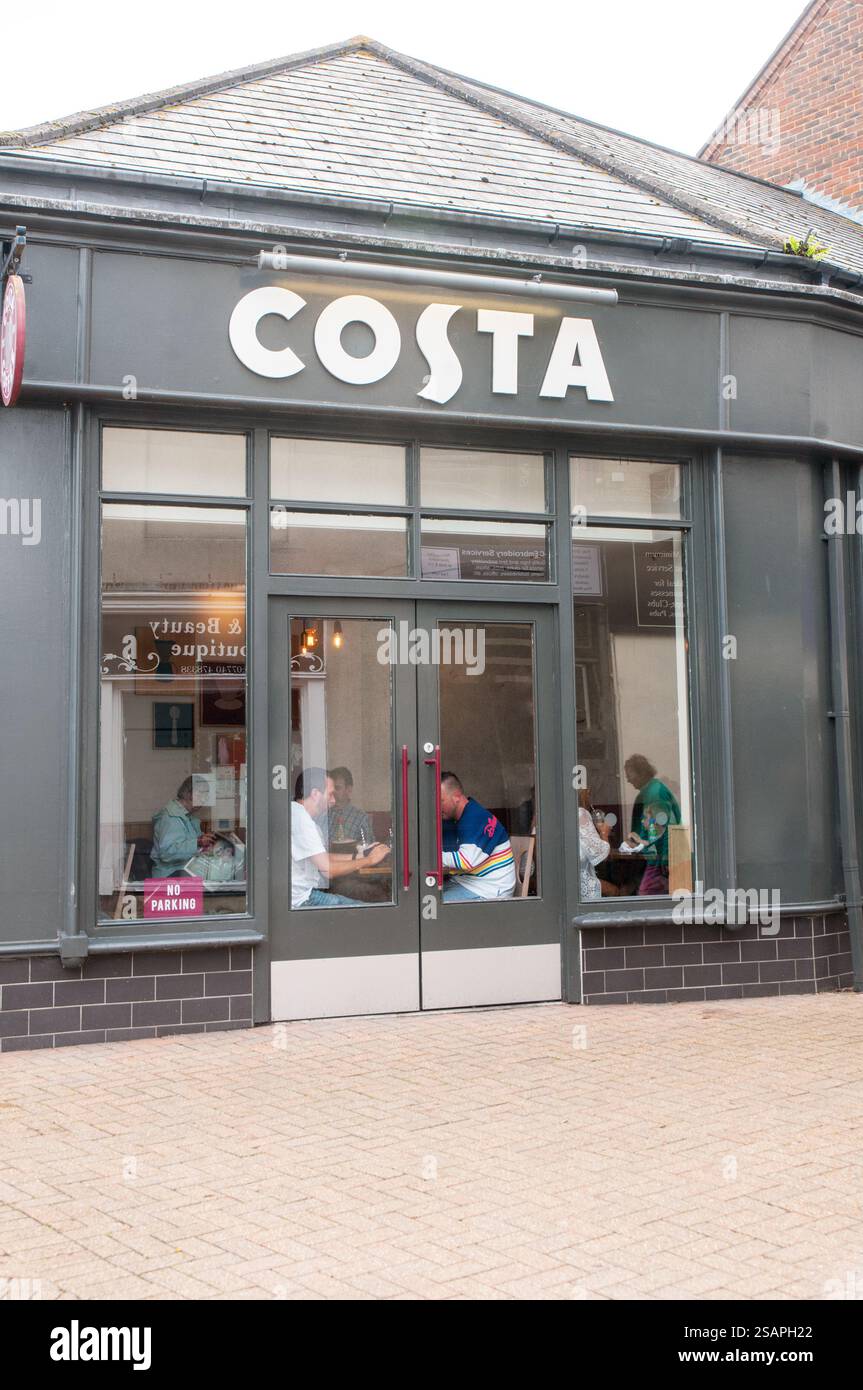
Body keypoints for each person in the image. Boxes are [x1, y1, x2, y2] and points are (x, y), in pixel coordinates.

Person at [292, 767, 389, 908]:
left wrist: (359, 855)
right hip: (303, 899)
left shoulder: (299, 815)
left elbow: (323, 857)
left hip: (307, 893)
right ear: (315, 794)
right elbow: (328, 870)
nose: (333, 800)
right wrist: (370, 860)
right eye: (330, 794)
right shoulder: (301, 819)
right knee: (369, 910)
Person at [439, 771, 515, 902]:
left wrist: (429, 859)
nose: (437, 807)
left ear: (456, 797)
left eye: (441, 801)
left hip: (490, 890)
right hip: (468, 882)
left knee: (431, 907)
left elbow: (466, 861)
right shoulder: (458, 818)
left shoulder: (476, 818)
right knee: (422, 897)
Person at [623, 754, 681, 896]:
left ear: (641, 773)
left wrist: (666, 859)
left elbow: (662, 829)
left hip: (660, 858)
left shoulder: (655, 793)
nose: (628, 779)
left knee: (645, 895)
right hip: (656, 857)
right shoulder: (648, 792)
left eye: (630, 774)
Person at [151, 776, 214, 878]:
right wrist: (198, 842)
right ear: (189, 794)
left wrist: (205, 844)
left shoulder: (187, 816)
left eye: (206, 796)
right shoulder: (171, 817)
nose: (204, 800)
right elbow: (167, 853)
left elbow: (189, 844)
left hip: (184, 873)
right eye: (202, 794)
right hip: (170, 877)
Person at [577, 788, 610, 901]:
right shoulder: (580, 813)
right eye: (587, 790)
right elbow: (600, 854)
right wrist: (604, 832)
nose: (590, 793)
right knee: (615, 891)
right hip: (579, 881)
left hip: (557, 881)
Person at [328, 766, 374, 847]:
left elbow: (368, 849)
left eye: (337, 788)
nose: (333, 792)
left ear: (348, 790)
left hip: (351, 858)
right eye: (331, 788)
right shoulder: (324, 815)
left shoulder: (361, 818)